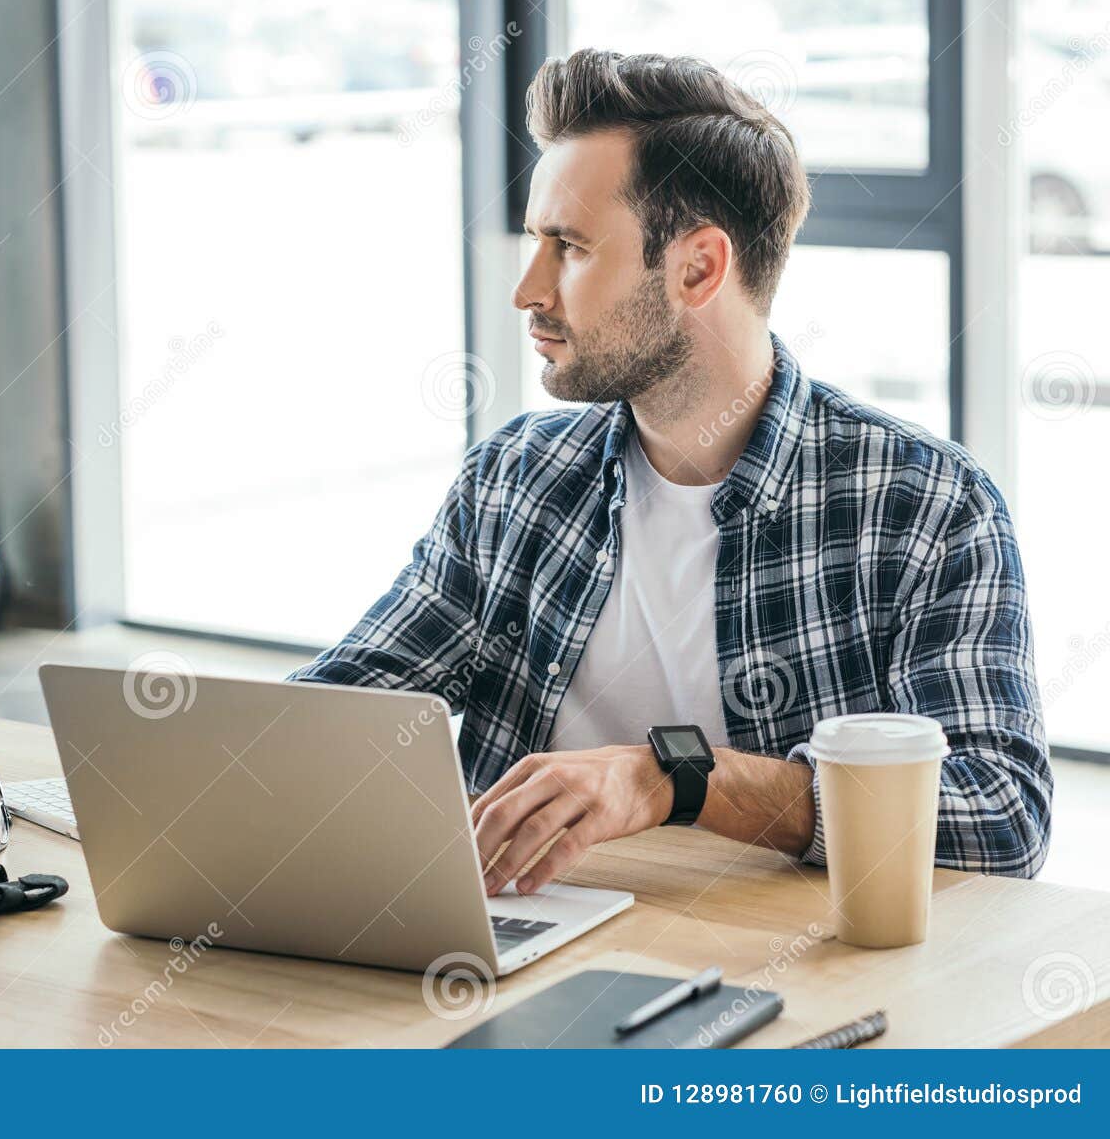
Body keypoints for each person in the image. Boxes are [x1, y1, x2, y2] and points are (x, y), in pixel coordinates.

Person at [289, 49, 1052, 890]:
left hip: (779, 982)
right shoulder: (513, 479)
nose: (528, 290)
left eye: (568, 247)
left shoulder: (924, 505)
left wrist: (677, 777)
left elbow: (1001, 815)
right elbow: (337, 715)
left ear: (697, 267)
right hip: (508, 963)